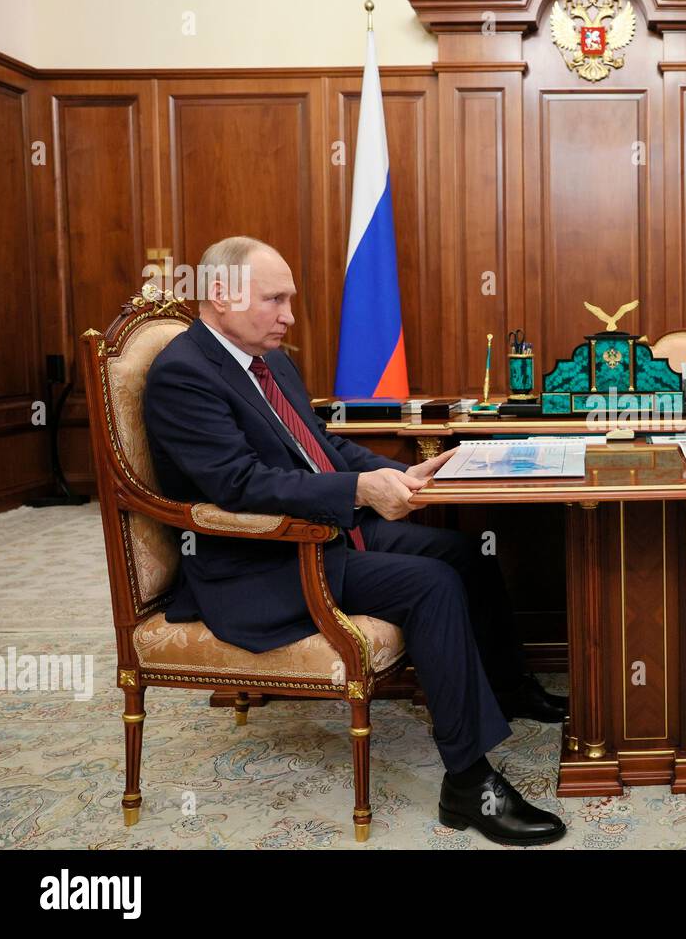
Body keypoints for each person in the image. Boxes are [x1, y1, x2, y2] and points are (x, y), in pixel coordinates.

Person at [144, 235, 565, 845]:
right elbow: (237, 484)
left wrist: (389, 475)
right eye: (275, 300)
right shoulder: (183, 373)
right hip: (259, 563)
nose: (290, 315)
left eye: (290, 299)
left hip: (323, 535)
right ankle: (469, 784)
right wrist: (361, 493)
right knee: (433, 585)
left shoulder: (270, 360)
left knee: (465, 552)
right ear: (219, 295)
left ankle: (508, 688)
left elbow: (321, 446)